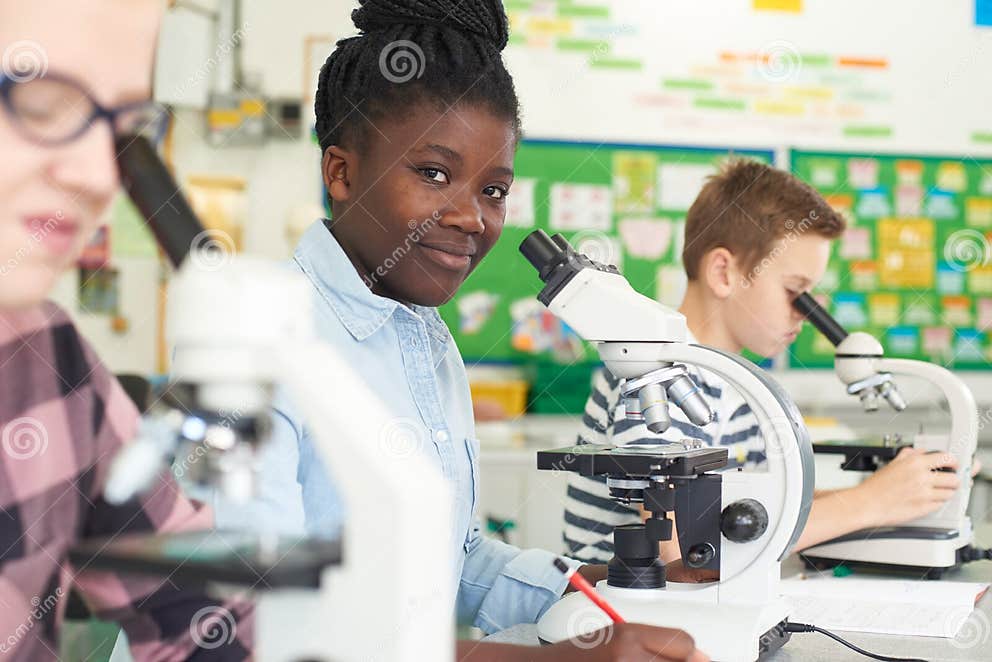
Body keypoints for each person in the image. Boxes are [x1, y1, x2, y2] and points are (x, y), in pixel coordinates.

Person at [200, 0, 707, 659]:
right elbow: (255, 621)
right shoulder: (250, 340)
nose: (472, 218)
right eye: (434, 174)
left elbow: (454, 560)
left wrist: (604, 589)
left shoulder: (429, 342)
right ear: (340, 171)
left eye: (493, 190)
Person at [0, 1, 253, 660]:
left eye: (122, 128)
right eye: (43, 101)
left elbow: (200, 612)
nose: (96, 175)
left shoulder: (49, 363)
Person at [562, 159, 963, 566]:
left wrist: (899, 492)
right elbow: (684, 549)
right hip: (619, 616)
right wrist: (870, 503)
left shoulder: (732, 380)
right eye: (795, 292)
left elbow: (748, 514)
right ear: (724, 272)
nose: (805, 313)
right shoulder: (657, 371)